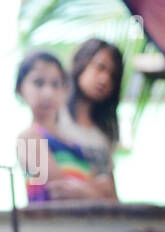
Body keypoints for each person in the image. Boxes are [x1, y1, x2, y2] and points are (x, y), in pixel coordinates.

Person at [15, 50, 115, 203]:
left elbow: (111, 193)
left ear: (65, 91)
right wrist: (96, 191)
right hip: (50, 226)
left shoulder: (73, 144)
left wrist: (86, 190)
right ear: (20, 89)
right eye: (38, 83)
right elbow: (59, 190)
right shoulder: (28, 138)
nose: (48, 93)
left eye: (55, 84)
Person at [57, 38, 123, 199]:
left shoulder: (104, 133)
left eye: (113, 76)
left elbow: (113, 196)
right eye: (100, 67)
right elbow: (45, 189)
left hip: (100, 221)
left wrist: (87, 190)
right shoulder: (54, 119)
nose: (105, 79)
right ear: (81, 63)